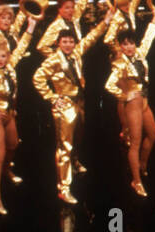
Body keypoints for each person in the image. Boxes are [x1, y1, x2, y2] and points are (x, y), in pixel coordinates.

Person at [32, 15, 110, 204]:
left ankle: (74, 162)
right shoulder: (53, 60)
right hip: (64, 105)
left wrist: (105, 22)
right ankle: (63, 188)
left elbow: (90, 39)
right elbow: (37, 78)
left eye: (71, 41)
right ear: (58, 43)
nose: (68, 45)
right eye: (64, 42)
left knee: (77, 136)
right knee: (64, 147)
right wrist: (52, 97)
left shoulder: (75, 54)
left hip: (79, 102)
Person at [0, 15, 37, 214]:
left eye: (4, 56)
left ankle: (6, 169)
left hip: (10, 112)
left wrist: (30, 27)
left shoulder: (10, 67)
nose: (1, 60)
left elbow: (20, 49)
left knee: (14, 144)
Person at [105, 8, 155, 197]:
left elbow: (148, 39)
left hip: (144, 101)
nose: (129, 47)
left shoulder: (139, 54)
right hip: (133, 104)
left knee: (153, 134)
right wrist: (124, 96)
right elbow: (109, 85)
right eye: (125, 45)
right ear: (120, 47)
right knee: (135, 142)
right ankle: (136, 181)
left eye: (131, 44)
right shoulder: (119, 64)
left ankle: (142, 164)